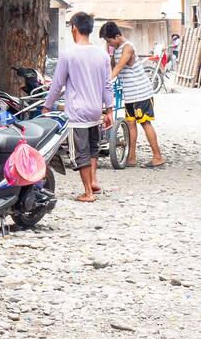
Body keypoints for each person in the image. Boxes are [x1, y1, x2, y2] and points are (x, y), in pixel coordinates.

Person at [44, 11, 113, 203]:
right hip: (95, 110)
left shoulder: (68, 54)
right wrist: (109, 111)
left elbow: (57, 84)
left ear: (74, 29)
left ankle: (88, 192)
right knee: (92, 148)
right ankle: (93, 183)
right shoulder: (102, 54)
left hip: (77, 112)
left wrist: (47, 107)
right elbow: (107, 85)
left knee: (80, 152)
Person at [99, 21, 165, 168]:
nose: (108, 44)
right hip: (130, 94)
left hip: (141, 92)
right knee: (130, 124)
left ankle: (157, 156)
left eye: (109, 40)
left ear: (117, 36)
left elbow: (119, 66)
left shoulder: (128, 47)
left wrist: (106, 83)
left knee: (145, 123)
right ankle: (131, 157)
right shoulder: (115, 49)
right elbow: (111, 66)